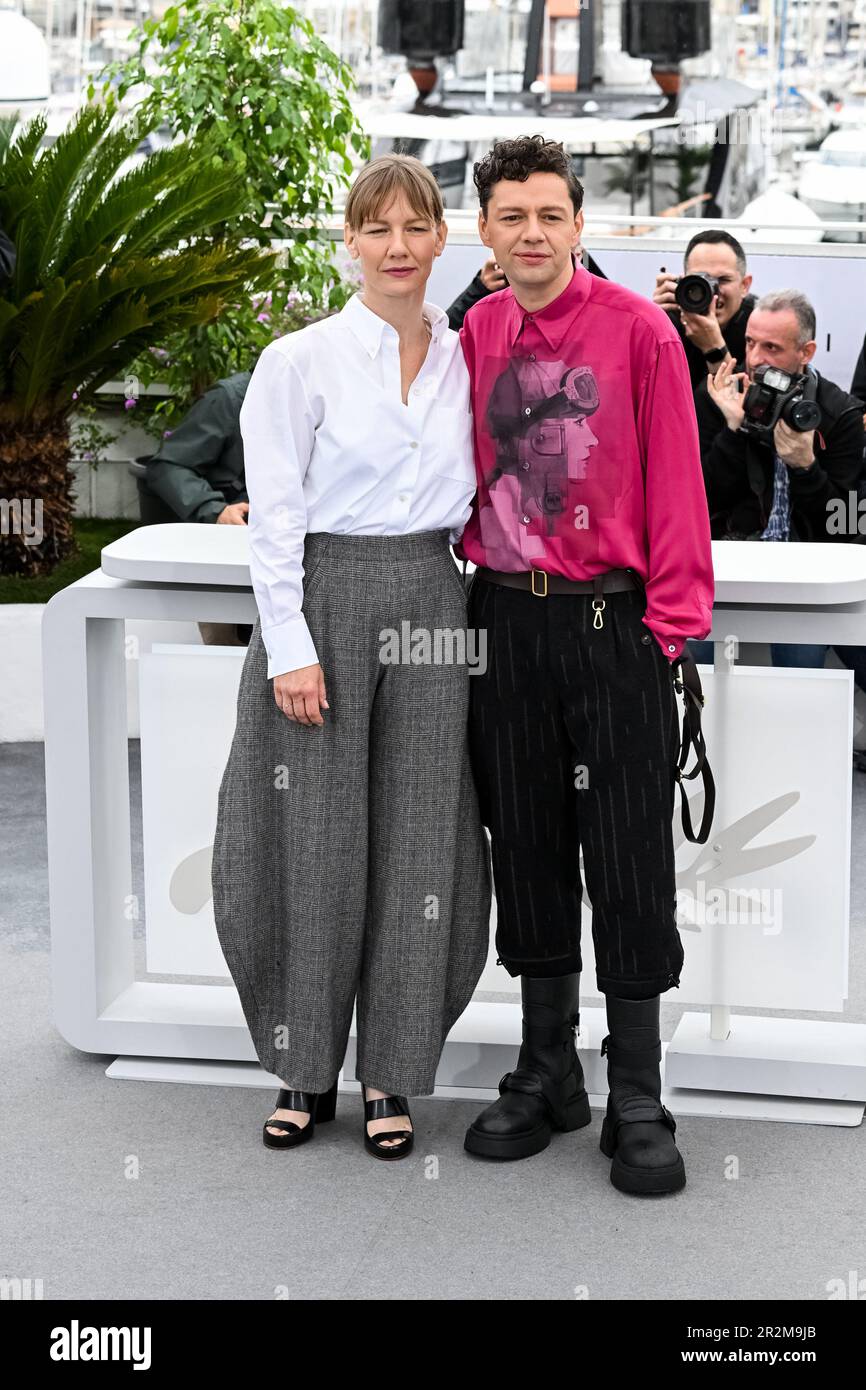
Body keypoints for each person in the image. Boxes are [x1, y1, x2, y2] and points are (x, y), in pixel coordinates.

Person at [210, 154, 492, 1158]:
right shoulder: (300, 360)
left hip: (433, 589)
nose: (398, 248)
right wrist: (289, 643)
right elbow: (275, 516)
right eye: (377, 229)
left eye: (415, 227)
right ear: (350, 242)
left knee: (424, 836)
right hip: (323, 598)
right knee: (308, 835)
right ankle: (303, 1065)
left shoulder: (469, 359)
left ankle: (390, 1073)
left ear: (440, 239)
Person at [454, 134, 714, 1195]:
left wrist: (669, 633)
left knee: (626, 855)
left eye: (548, 214)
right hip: (501, 622)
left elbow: (677, 486)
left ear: (576, 223)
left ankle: (638, 1088)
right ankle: (546, 1065)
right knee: (519, 837)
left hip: (612, 627)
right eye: (510, 215)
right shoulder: (470, 330)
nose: (530, 232)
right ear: (485, 230)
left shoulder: (637, 330)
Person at [692, 289, 865, 670]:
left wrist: (805, 467)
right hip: (726, 568)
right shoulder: (719, 396)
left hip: (809, 573)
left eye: (772, 348)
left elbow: (843, 527)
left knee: (800, 658)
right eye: (751, 343)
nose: (755, 359)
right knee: (695, 658)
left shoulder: (840, 414)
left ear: (806, 353)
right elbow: (698, 503)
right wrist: (734, 431)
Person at [143, 372, 254, 646]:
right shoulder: (229, 399)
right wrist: (215, 509)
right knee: (227, 654)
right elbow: (169, 466)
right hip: (227, 550)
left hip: (298, 552)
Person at [652, 229, 755, 392]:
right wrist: (650, 323)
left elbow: (741, 407)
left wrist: (714, 347)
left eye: (723, 280)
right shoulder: (670, 321)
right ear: (684, 281)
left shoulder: (758, 330)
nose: (712, 291)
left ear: (744, 285)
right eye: (701, 280)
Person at [447, 245, 607, 331]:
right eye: (513, 218)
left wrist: (578, 253)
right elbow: (445, 336)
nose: (534, 236)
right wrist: (480, 287)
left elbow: (611, 312)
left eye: (551, 218)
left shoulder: (580, 263)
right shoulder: (496, 280)